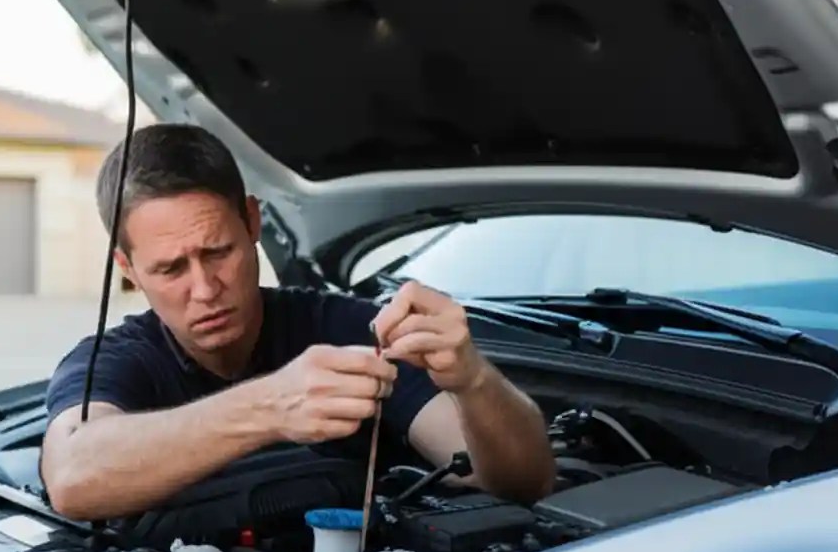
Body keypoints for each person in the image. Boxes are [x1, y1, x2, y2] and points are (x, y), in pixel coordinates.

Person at [41, 123, 555, 521]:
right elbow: (71, 476)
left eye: (218, 252)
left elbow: (516, 483)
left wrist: (474, 381)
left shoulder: (350, 329)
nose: (204, 289)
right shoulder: (112, 362)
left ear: (252, 223)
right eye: (171, 268)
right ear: (127, 268)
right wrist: (269, 408)